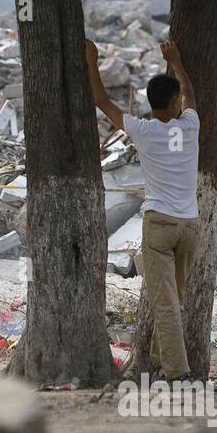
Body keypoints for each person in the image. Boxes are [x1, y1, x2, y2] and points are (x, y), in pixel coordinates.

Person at [85, 39, 200, 381]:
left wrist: (92, 59)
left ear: (151, 104)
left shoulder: (144, 131)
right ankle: (155, 356)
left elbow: (101, 100)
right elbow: (191, 93)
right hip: (189, 226)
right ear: (175, 102)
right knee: (173, 300)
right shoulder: (190, 126)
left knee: (165, 302)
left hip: (159, 225)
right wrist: (175, 60)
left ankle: (176, 372)